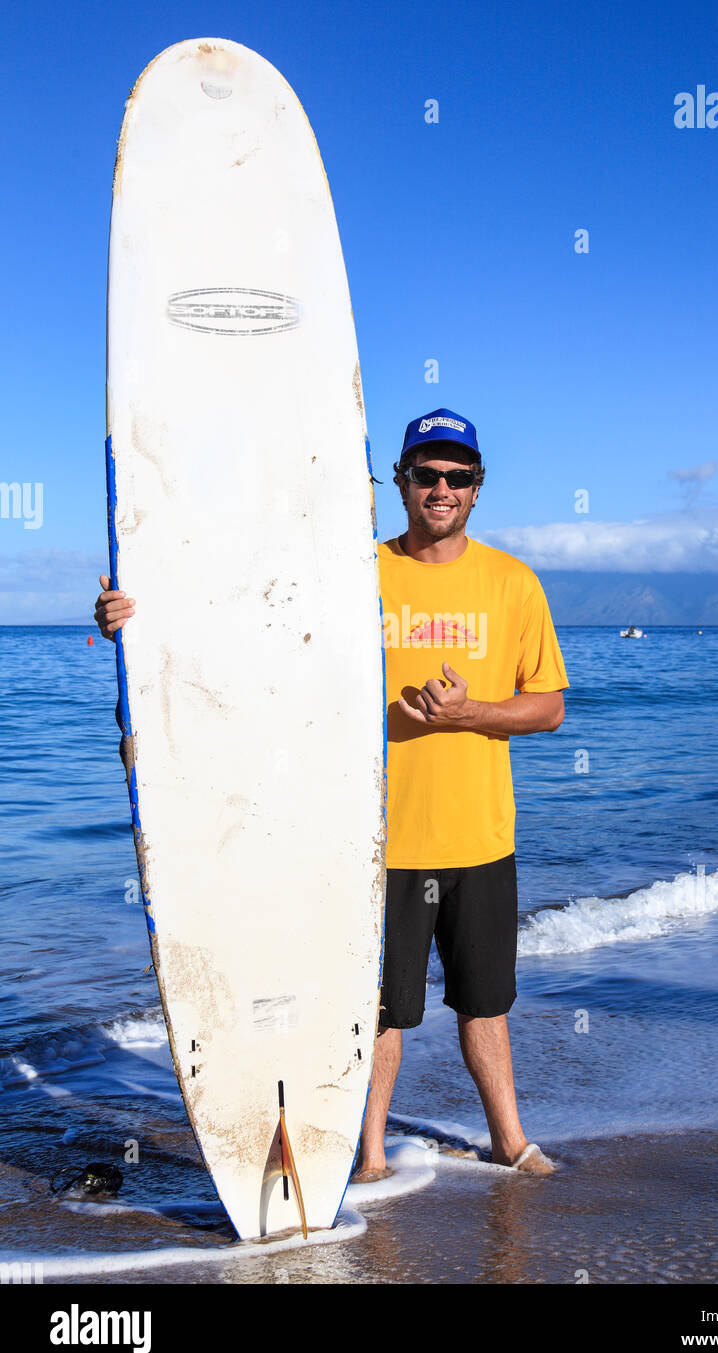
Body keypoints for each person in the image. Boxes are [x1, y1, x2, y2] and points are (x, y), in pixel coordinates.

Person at [94, 407, 569, 1180]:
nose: (440, 488)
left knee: (486, 1002)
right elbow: (251, 634)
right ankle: (371, 1154)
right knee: (380, 1010)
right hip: (374, 843)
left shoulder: (513, 583)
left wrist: (471, 713)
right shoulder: (355, 575)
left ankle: (512, 1143)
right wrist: (137, 624)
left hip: (481, 840)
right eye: (425, 475)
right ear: (401, 484)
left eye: (457, 476)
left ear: (478, 489)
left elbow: (547, 705)